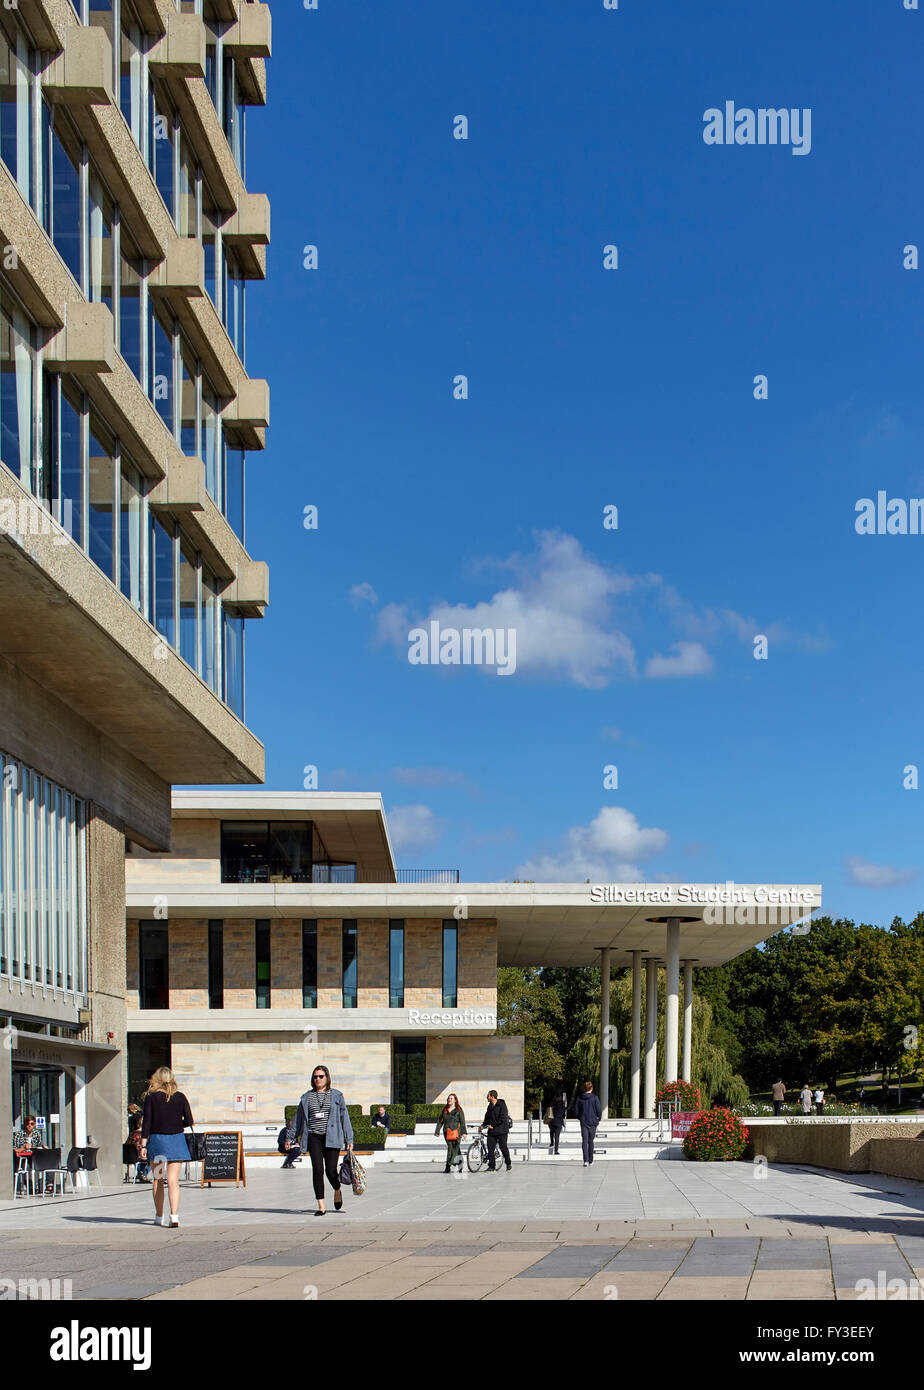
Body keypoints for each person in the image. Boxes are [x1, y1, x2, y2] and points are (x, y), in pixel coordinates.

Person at [285, 1064, 354, 1215]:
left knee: (330, 1171)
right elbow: (298, 1119)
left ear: (327, 1078)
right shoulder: (306, 1097)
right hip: (313, 1137)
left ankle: (337, 1188)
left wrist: (349, 1138)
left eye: (321, 1076)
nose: (318, 1079)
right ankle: (321, 1206)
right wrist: (289, 1137)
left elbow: (345, 1118)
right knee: (317, 1170)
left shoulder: (336, 1096)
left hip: (332, 1137)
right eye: (315, 1077)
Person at [138, 1066, 194, 1228]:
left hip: (158, 1143)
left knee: (158, 1179)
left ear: (156, 1079)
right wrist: (177, 1124)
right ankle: (174, 1216)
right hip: (176, 1141)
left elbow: (147, 1122)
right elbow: (189, 1120)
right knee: (173, 1181)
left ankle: (158, 1216)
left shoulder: (151, 1098)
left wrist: (143, 1144)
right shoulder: (180, 1097)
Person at [434, 1093, 467, 1173]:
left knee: (455, 1148)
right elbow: (440, 1121)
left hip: (457, 1132)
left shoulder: (459, 1109)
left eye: (451, 1098)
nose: (449, 1099)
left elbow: (462, 1122)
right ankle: (455, 1165)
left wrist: (464, 1133)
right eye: (448, 1098)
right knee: (451, 1147)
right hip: (447, 1132)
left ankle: (449, 1165)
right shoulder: (445, 1110)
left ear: (455, 1100)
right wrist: (437, 1131)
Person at [481, 1090, 512, 1172]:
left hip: (502, 1131)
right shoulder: (489, 1106)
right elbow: (487, 1118)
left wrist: (493, 1125)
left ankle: (508, 1163)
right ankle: (492, 1166)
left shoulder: (502, 1105)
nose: (486, 1097)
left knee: (503, 1148)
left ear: (492, 1096)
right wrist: (483, 1125)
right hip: (492, 1132)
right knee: (490, 1149)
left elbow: (503, 1118)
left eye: (488, 1096)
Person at [575, 1081, 602, 1166]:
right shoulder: (595, 1098)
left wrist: (580, 1118)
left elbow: (576, 1111)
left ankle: (585, 1160)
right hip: (593, 1122)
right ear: (591, 1088)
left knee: (584, 1141)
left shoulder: (579, 1098)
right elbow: (599, 1110)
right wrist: (598, 1119)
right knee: (591, 1141)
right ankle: (591, 1160)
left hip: (583, 1122)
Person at [127, 1103, 149, 1181]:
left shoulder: (132, 1134)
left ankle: (141, 1173)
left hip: (131, 1155)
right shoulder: (144, 1136)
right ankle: (142, 1173)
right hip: (140, 1155)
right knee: (152, 1158)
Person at [545, 1088, 566, 1155]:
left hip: (551, 1121)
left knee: (551, 1132)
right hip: (559, 1122)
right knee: (557, 1136)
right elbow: (564, 1115)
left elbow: (548, 1111)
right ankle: (556, 1150)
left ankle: (551, 1143)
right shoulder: (562, 1105)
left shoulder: (552, 1103)